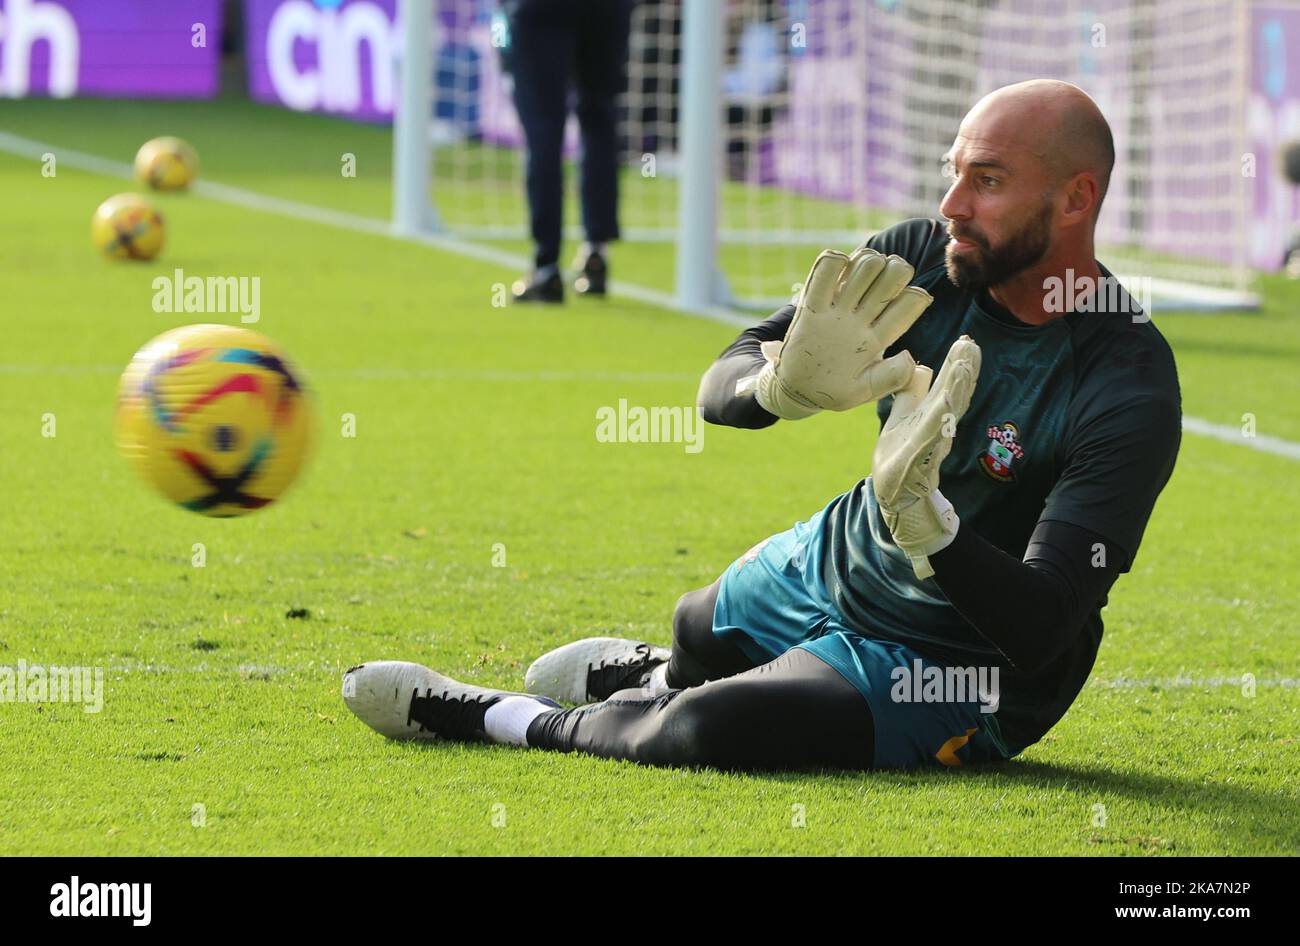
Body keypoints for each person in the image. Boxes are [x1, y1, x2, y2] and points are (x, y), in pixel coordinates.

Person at [342, 80, 1182, 771]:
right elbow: (723, 375)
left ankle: (499, 716)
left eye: (987, 180)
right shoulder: (923, 258)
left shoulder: (1127, 380)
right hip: (848, 551)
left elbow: (1042, 629)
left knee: (710, 730)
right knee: (695, 628)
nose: (951, 202)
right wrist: (777, 389)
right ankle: (659, 670)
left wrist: (930, 528)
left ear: (1077, 199)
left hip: (957, 666)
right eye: (951, 171)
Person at [502, 0, 636, 304]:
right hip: (606, 10)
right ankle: (596, 253)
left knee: (544, 129)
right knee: (599, 117)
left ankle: (546, 266)